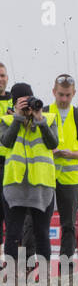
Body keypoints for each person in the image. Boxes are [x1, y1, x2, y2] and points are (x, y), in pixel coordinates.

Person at [0, 83, 59, 266]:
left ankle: (44, 277)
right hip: (15, 186)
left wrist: (39, 119)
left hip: (41, 186)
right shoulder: (7, 120)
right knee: (13, 232)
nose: (27, 106)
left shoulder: (48, 119)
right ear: (15, 103)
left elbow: (52, 143)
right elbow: (7, 142)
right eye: (22, 102)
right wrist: (17, 117)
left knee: (41, 232)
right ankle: (11, 275)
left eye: (29, 100)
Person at [45, 75, 78, 261]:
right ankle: (35, 263)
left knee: (68, 224)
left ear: (74, 93)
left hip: (70, 179)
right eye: (60, 95)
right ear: (53, 92)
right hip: (44, 175)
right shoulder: (43, 113)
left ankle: (66, 264)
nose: (64, 99)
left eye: (67, 95)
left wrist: (71, 154)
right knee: (37, 222)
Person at [0, 62, 13, 245]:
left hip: (11, 164)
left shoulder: (16, 101)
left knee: (11, 214)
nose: (0, 79)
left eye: (2, 75)